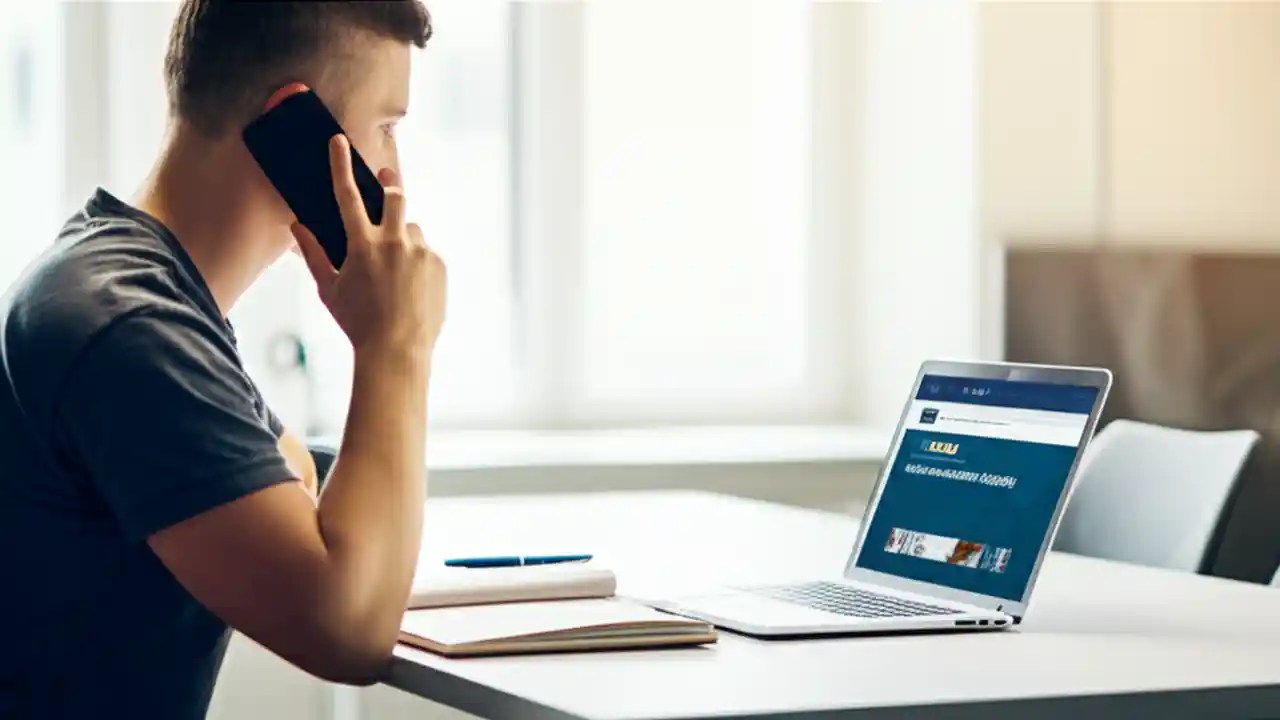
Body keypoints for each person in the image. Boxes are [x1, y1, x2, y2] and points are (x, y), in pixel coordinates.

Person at [0, 2, 445, 717]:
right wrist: (397, 343)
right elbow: (351, 632)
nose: (393, 173)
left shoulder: (134, 286)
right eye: (387, 127)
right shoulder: (126, 320)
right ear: (294, 125)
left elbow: (297, 477)